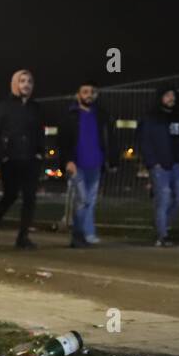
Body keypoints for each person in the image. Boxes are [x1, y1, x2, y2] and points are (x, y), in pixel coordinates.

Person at [0, 69, 44, 248]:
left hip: (31, 159)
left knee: (30, 197)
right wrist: (1, 155)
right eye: (22, 81)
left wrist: (40, 152)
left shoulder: (36, 108)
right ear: (15, 83)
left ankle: (23, 237)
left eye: (29, 82)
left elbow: (40, 132)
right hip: (10, 159)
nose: (26, 85)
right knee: (10, 195)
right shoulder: (3, 106)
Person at [59, 81, 118, 248]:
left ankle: (88, 233)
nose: (89, 95)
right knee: (82, 200)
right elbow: (63, 141)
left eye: (92, 92)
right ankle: (77, 236)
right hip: (77, 165)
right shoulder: (70, 115)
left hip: (95, 164)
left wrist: (111, 160)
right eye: (85, 92)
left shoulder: (101, 116)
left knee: (90, 201)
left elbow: (109, 139)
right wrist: (67, 161)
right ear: (78, 95)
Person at [138, 85, 179, 246]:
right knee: (163, 199)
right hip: (160, 165)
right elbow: (144, 142)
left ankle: (160, 223)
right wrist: (152, 162)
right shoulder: (151, 118)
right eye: (167, 95)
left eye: (173, 95)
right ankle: (162, 235)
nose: (171, 98)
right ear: (160, 98)